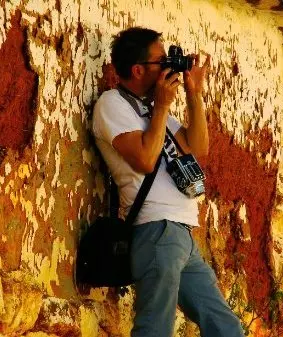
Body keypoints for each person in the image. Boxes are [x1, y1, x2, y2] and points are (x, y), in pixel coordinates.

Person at [92, 27, 244, 337]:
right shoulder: (113, 105)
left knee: (227, 329)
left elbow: (199, 148)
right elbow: (146, 160)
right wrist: (161, 106)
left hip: (183, 235)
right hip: (156, 229)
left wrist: (194, 94)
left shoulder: (155, 110)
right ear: (137, 69)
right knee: (155, 328)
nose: (169, 68)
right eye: (162, 62)